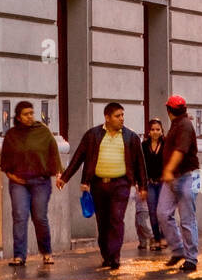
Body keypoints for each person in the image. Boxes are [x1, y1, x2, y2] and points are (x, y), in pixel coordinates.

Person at [57, 102, 147, 271]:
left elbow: (140, 164)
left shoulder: (130, 137)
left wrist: (143, 186)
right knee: (103, 222)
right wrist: (65, 177)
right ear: (107, 117)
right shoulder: (93, 135)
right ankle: (107, 254)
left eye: (122, 115)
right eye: (117, 116)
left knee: (116, 218)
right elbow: (78, 157)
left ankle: (115, 256)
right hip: (99, 185)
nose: (121, 119)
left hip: (121, 184)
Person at [0, 100, 62, 267]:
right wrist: (12, 176)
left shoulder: (42, 131)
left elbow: (53, 152)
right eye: (26, 114)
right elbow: (5, 160)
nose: (30, 117)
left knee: (39, 217)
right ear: (18, 117)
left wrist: (58, 173)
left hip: (40, 182)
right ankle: (19, 256)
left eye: (31, 113)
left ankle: (47, 252)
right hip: (19, 182)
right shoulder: (12, 135)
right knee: (19, 216)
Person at [157, 95, 201, 272]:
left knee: (187, 219)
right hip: (176, 177)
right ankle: (178, 249)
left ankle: (191, 259)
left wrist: (168, 169)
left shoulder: (184, 125)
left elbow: (180, 150)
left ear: (169, 111)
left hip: (189, 175)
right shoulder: (178, 124)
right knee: (162, 213)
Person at [135, 117, 167, 250]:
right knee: (152, 212)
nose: (155, 132)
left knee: (163, 212)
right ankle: (157, 239)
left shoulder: (166, 144)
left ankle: (164, 236)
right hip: (150, 183)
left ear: (161, 131)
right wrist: (140, 183)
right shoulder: (144, 146)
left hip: (163, 183)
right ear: (149, 131)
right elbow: (139, 165)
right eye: (152, 129)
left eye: (157, 129)